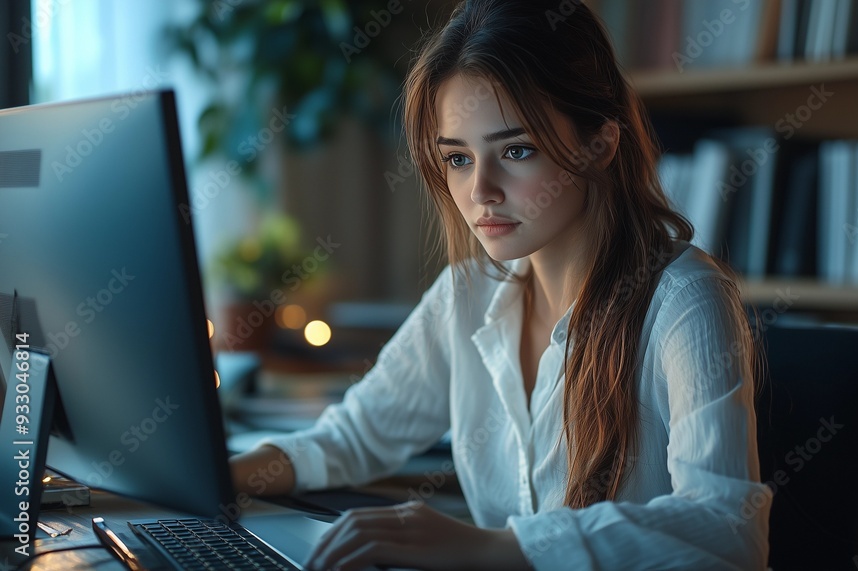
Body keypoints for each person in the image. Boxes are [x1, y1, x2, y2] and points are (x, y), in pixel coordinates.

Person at [229, 0, 773, 569]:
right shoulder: (466, 296)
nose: (481, 190)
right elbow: (353, 438)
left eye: (516, 150)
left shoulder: (685, 301)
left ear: (601, 143)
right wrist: (209, 478)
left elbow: (729, 530)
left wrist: (493, 547)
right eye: (459, 158)